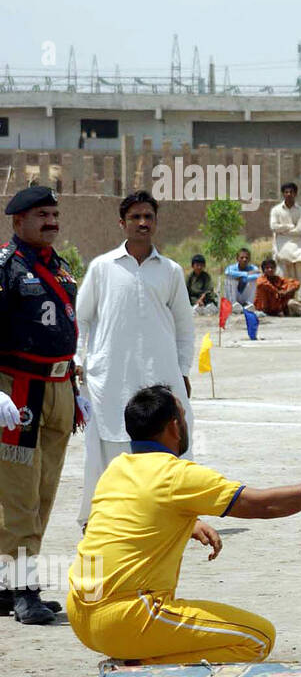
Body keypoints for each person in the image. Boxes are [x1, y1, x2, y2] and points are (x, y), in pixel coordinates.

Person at [67, 385, 301, 665]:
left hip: (80, 614)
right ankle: (137, 664)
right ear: (174, 426)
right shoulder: (178, 476)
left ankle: (136, 655)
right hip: (125, 619)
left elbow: (126, 521)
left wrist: (189, 522)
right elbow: (265, 505)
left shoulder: (116, 469)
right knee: (257, 639)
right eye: (183, 417)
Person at [75, 190, 194, 532]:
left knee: (167, 438)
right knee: (109, 443)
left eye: (149, 217)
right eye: (136, 218)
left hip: (161, 374)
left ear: (156, 222)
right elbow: (80, 319)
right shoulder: (101, 268)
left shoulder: (170, 271)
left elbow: (185, 327)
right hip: (111, 376)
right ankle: (104, 516)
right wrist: (77, 360)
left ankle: (167, 513)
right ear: (122, 223)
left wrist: (183, 370)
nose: (143, 223)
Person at [1, 186, 84, 623]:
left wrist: (76, 384)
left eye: (54, 213)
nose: (51, 221)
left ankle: (4, 583)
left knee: (44, 494)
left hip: (59, 388)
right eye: (41, 215)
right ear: (18, 222)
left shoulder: (60, 266)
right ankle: (24, 589)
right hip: (19, 393)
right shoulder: (6, 267)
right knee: (20, 499)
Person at [269, 182, 301, 281]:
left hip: (298, 249)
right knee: (282, 279)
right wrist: (289, 226)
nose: (289, 194)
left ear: (295, 194)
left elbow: (300, 230)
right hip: (281, 249)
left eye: (291, 192)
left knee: (300, 280)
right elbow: (273, 227)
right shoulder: (276, 210)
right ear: (283, 194)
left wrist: (282, 231)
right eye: (286, 192)